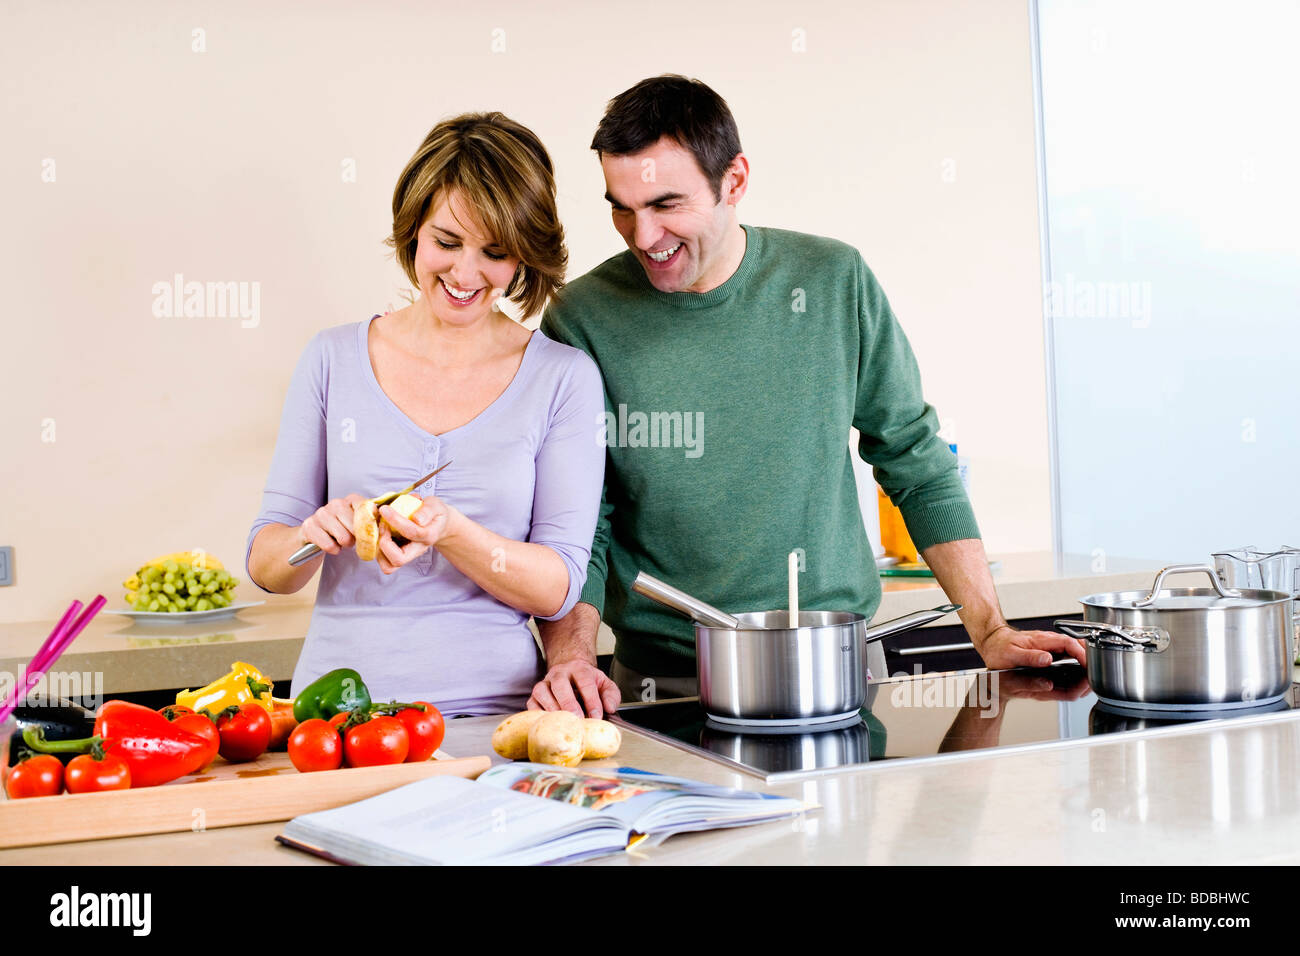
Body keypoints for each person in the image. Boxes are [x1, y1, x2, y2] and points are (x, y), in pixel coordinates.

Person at [528, 75, 1085, 717]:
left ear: (734, 180)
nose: (643, 234)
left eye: (666, 204)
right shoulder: (583, 317)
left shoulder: (833, 281)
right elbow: (579, 516)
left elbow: (914, 460)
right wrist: (569, 656)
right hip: (662, 687)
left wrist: (988, 628)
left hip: (837, 670)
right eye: (621, 207)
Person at [245, 112, 606, 716]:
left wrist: (453, 532)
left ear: (524, 258)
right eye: (446, 242)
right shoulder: (331, 359)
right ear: (412, 229)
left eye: (496, 252)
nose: (465, 274)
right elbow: (266, 563)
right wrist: (311, 537)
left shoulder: (563, 379)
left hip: (496, 717)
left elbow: (558, 585)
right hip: (335, 718)